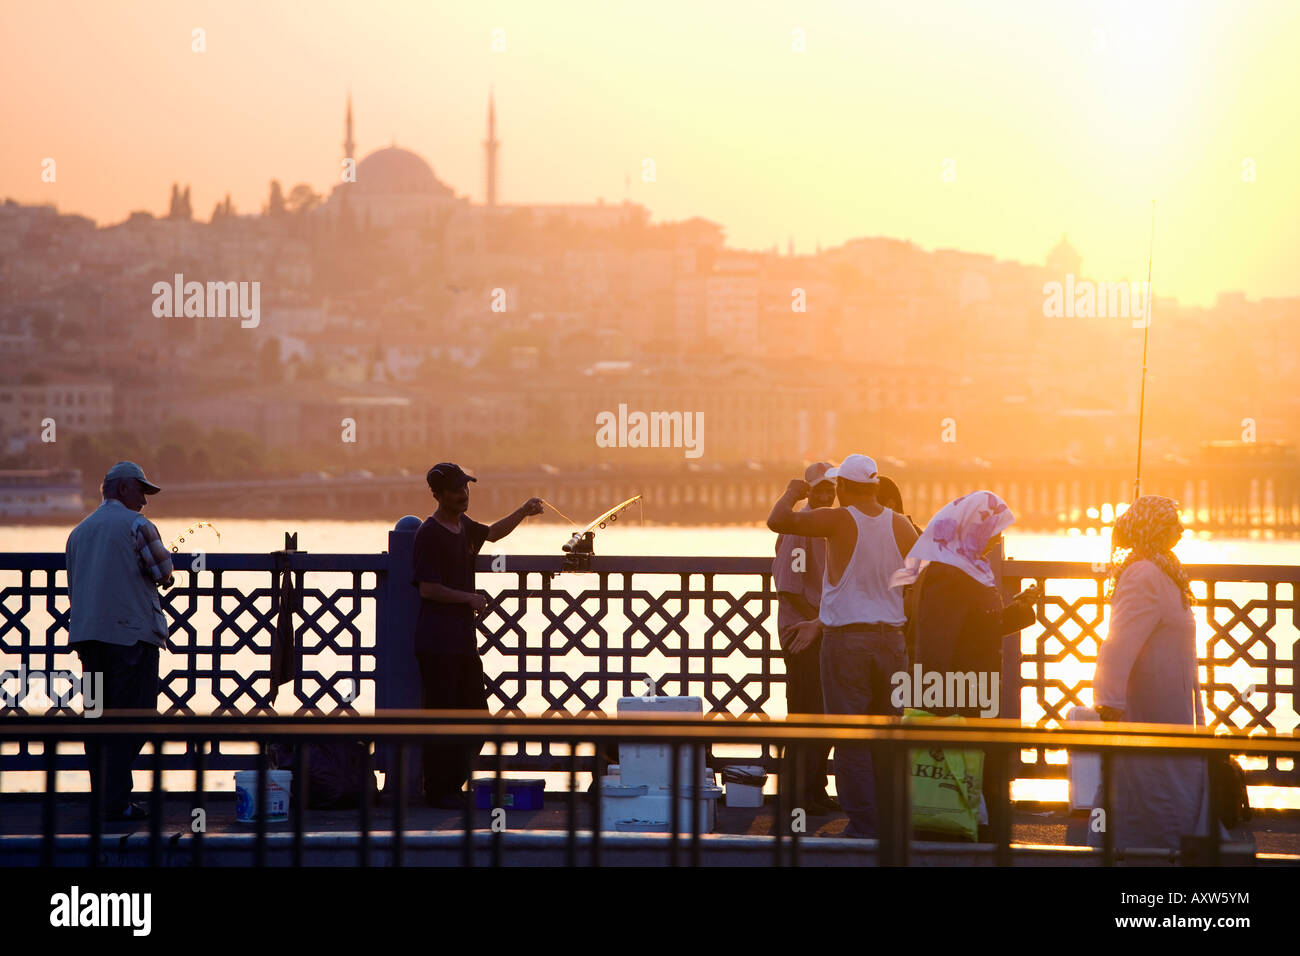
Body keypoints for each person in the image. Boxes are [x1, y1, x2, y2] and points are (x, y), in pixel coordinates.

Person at [767, 453, 918, 838]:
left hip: (847, 641)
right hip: (892, 642)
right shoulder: (901, 525)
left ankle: (864, 827)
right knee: (887, 737)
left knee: (851, 741)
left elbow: (777, 521)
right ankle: (890, 821)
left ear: (847, 488)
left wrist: (791, 492)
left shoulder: (838, 519)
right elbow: (919, 575)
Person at [890, 491, 1038, 840]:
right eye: (993, 532)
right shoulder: (947, 574)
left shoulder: (971, 568)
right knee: (973, 774)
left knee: (982, 774)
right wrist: (941, 710)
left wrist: (1019, 607)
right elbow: (934, 645)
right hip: (959, 699)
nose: (997, 541)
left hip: (976, 694)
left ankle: (982, 836)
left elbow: (981, 628)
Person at [1091, 495, 1219, 851]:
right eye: (1170, 524)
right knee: (1149, 779)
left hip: (1170, 701)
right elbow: (1117, 644)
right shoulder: (1144, 573)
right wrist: (1109, 700)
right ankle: (1142, 848)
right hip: (1148, 705)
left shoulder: (1164, 569)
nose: (1179, 530)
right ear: (1153, 529)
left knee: (1170, 776)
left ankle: (1165, 845)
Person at [411, 462, 542, 807]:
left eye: (466, 488)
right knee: (441, 719)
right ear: (438, 494)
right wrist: (467, 598)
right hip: (436, 642)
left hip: (462, 642)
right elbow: (427, 588)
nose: (463, 494)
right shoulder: (428, 533)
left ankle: (453, 785)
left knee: (476, 717)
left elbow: (494, 533)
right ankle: (438, 791)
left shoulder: (464, 527)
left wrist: (524, 512)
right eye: (456, 489)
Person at [65, 461, 175, 821]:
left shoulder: (78, 533)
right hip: (129, 640)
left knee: (97, 717)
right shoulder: (137, 525)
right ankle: (116, 801)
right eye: (141, 491)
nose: (144, 501)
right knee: (136, 716)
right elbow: (163, 573)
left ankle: (106, 799)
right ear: (123, 488)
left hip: (88, 640)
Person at [771, 461, 838, 814]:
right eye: (821, 489)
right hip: (802, 633)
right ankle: (799, 794)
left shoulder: (827, 527)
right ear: (809, 491)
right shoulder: (799, 530)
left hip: (822, 628)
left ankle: (814, 788)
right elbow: (789, 587)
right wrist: (816, 619)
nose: (828, 495)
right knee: (806, 712)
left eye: (832, 489)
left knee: (823, 713)